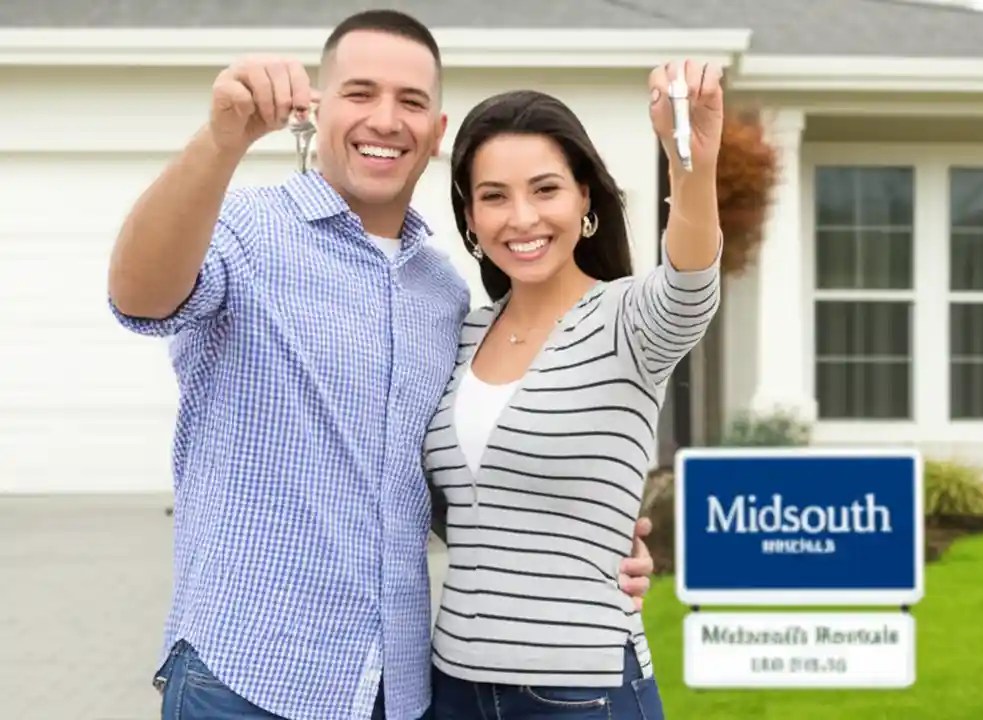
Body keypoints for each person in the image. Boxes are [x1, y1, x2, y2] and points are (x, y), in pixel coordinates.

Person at [104, 10, 653, 720]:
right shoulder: (242, 231)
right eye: (360, 93)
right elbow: (138, 297)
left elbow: (435, 488)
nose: (385, 120)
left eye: (411, 102)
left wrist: (578, 538)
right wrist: (221, 141)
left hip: (396, 689)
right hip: (247, 677)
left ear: (436, 131)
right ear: (318, 106)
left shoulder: (445, 293)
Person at [420, 60, 723, 720]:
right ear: (469, 218)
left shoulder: (628, 320)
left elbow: (691, 280)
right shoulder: (460, 335)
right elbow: (460, 508)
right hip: (450, 686)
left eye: (545, 189)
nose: (521, 217)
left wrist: (688, 164)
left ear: (585, 198)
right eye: (494, 196)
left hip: (579, 691)